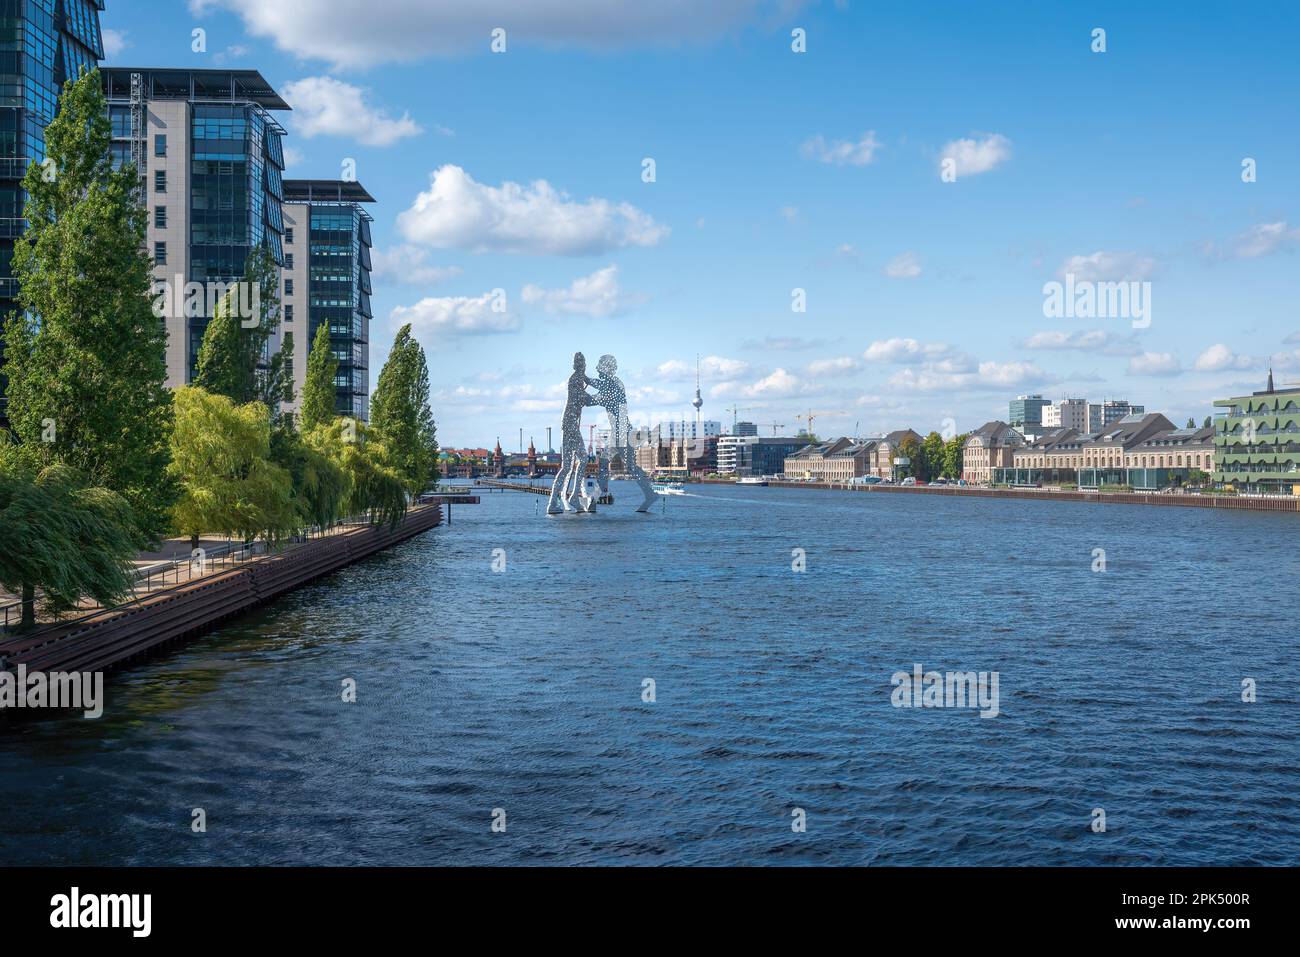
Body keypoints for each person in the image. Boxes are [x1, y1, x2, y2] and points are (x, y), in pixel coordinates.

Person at [589, 354, 657, 513]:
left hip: (621, 432)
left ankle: (594, 500)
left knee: (607, 464)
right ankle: (650, 494)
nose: (598, 369)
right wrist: (586, 380)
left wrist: (584, 388)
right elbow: (599, 386)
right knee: (629, 466)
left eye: (601, 366)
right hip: (622, 431)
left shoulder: (614, 385)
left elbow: (597, 398)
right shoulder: (615, 383)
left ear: (606, 368)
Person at [547, 352, 597, 514]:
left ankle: (555, 502)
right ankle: (570, 497)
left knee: (569, 465)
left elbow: (586, 390)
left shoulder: (578, 378)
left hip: (569, 426)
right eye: (583, 364)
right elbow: (585, 399)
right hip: (570, 427)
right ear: (579, 365)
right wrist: (604, 398)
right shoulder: (575, 379)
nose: (584, 367)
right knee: (577, 461)